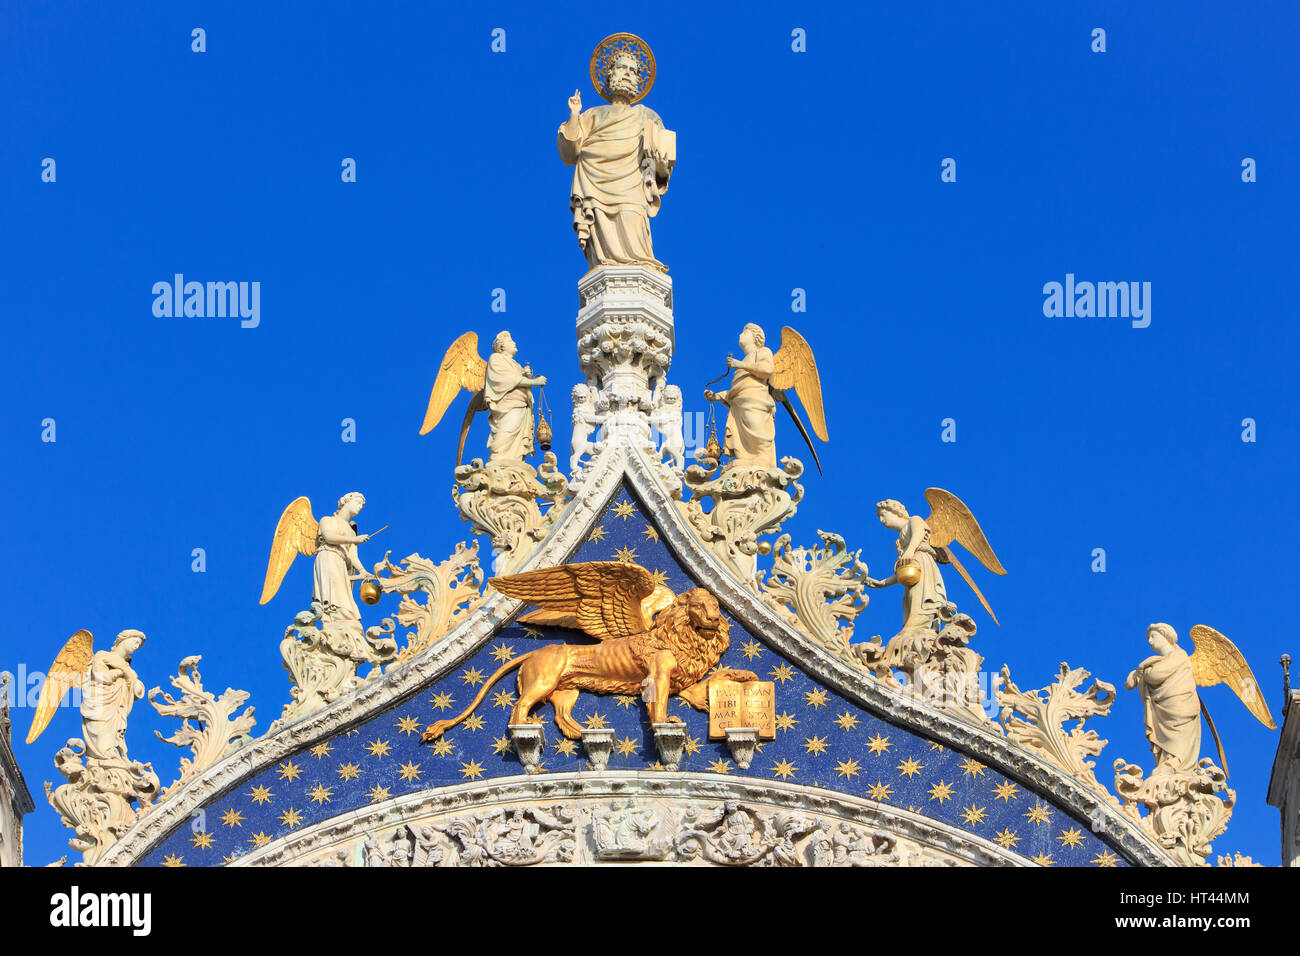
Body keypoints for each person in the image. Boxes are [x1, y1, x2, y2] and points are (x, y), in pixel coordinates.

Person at [558, 51, 675, 271]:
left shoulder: (648, 117)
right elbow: (569, 152)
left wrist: (660, 166)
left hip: (631, 186)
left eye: (633, 71)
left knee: (632, 227)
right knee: (602, 248)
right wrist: (574, 115)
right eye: (622, 68)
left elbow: (662, 163)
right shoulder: (592, 115)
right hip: (594, 186)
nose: (628, 74)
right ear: (610, 73)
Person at [1125, 623, 1201, 774]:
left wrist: (1143, 669)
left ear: (1165, 635)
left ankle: (1176, 763)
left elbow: (1155, 675)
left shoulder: (1180, 657)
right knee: (1165, 743)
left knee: (1179, 739)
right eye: (1149, 638)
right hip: (1162, 708)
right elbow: (1129, 683)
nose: (1150, 641)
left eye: (1153, 636)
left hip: (1181, 706)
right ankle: (1167, 762)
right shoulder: (1156, 661)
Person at [705, 324, 776, 467]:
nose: (740, 335)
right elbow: (737, 390)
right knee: (741, 436)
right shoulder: (743, 361)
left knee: (756, 428)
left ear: (755, 337)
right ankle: (746, 458)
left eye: (745, 332)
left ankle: (763, 459)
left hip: (756, 401)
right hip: (739, 403)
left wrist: (740, 365)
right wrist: (717, 396)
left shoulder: (763, 352)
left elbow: (767, 369)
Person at [484, 331, 547, 462]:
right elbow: (506, 379)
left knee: (516, 442)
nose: (515, 343)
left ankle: (514, 462)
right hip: (508, 405)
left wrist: (527, 376)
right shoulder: (496, 358)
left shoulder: (516, 364)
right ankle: (497, 460)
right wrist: (533, 382)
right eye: (511, 341)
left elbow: (518, 379)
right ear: (502, 346)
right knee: (506, 432)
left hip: (521, 405)